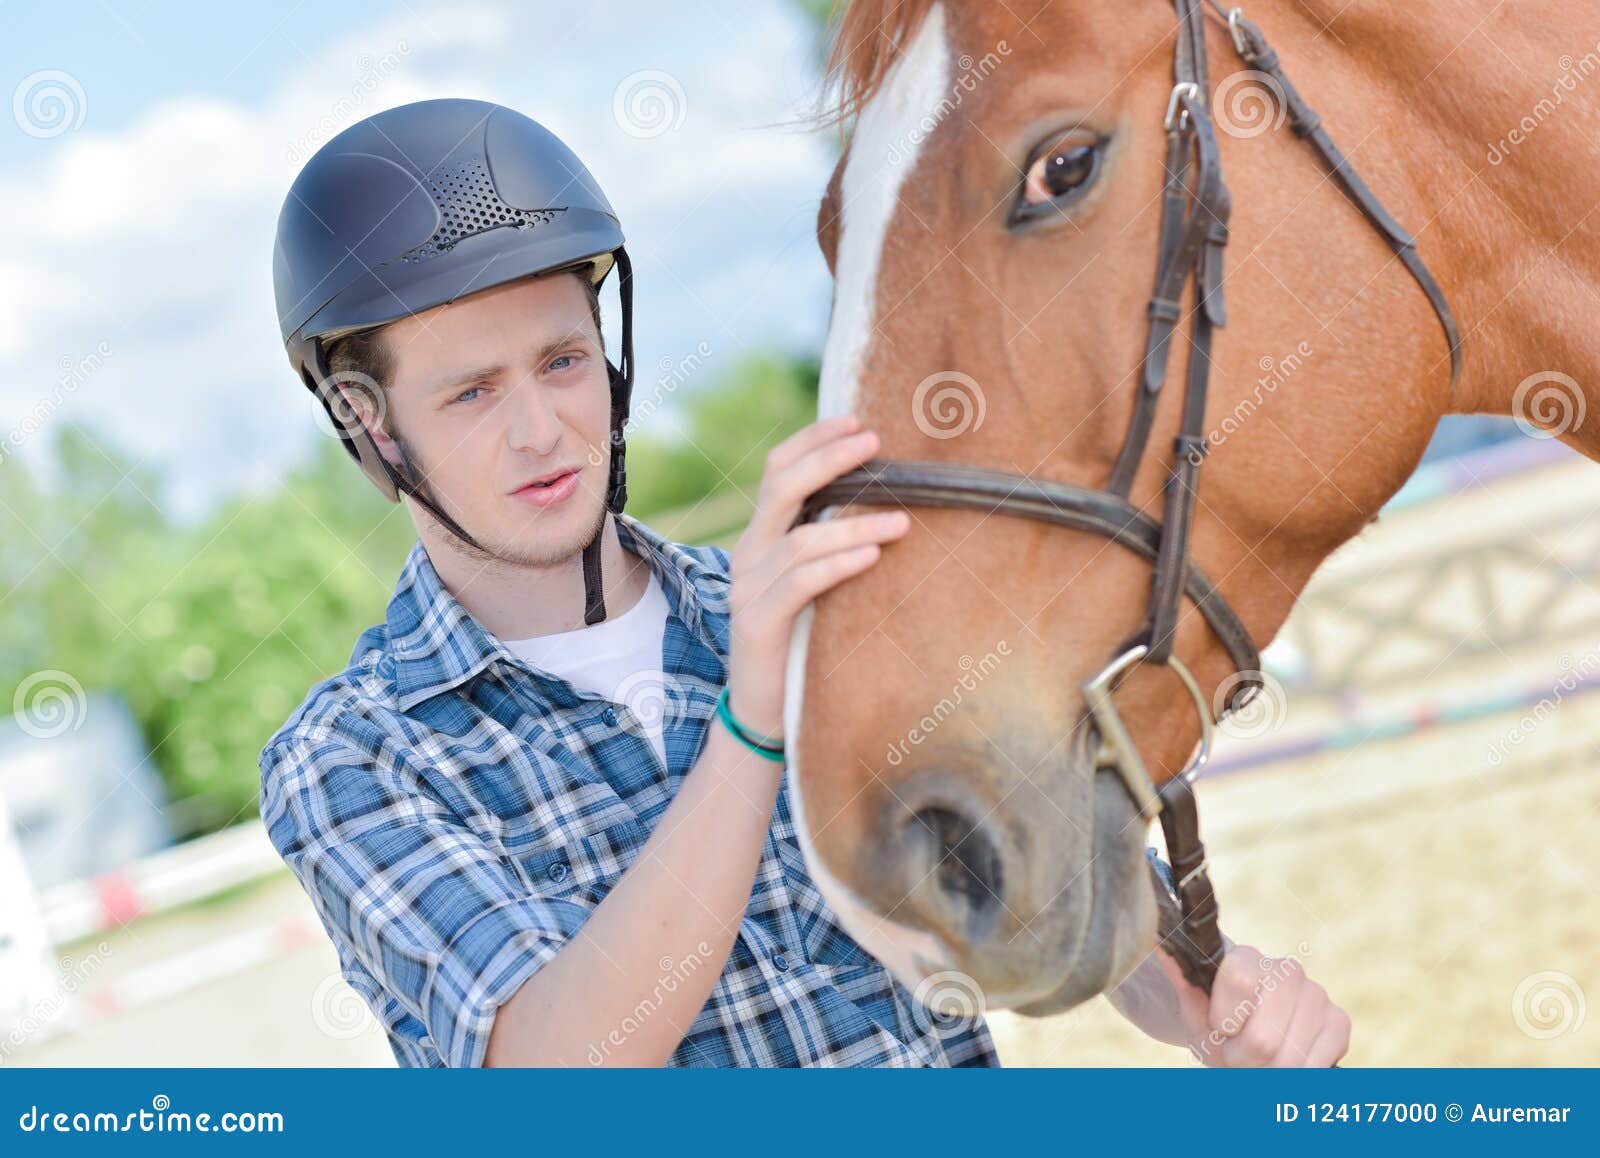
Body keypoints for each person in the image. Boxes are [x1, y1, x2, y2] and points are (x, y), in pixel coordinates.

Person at [261, 98, 1350, 1068]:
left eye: (562, 361)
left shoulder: (811, 607)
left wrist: (1202, 1007)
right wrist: (750, 722)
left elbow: (1044, 877)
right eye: (472, 394)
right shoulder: (352, 759)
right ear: (372, 425)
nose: (542, 429)